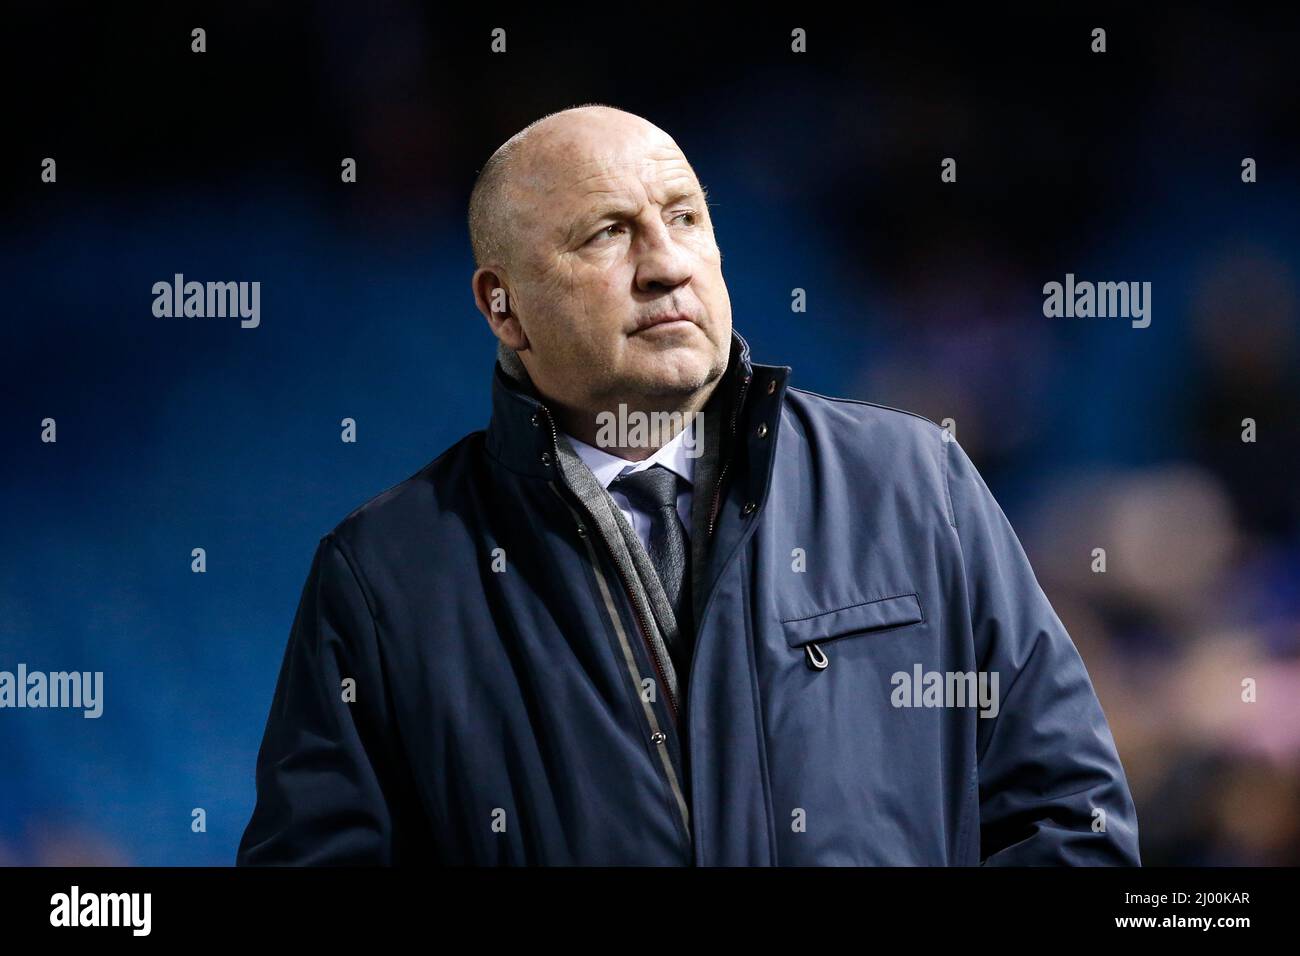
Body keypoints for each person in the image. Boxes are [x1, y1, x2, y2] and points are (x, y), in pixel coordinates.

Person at [236, 104, 1140, 865]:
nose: (666, 264)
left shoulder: (912, 482)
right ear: (500, 304)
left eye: (687, 218)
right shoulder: (387, 576)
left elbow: (1070, 820)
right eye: (608, 233)